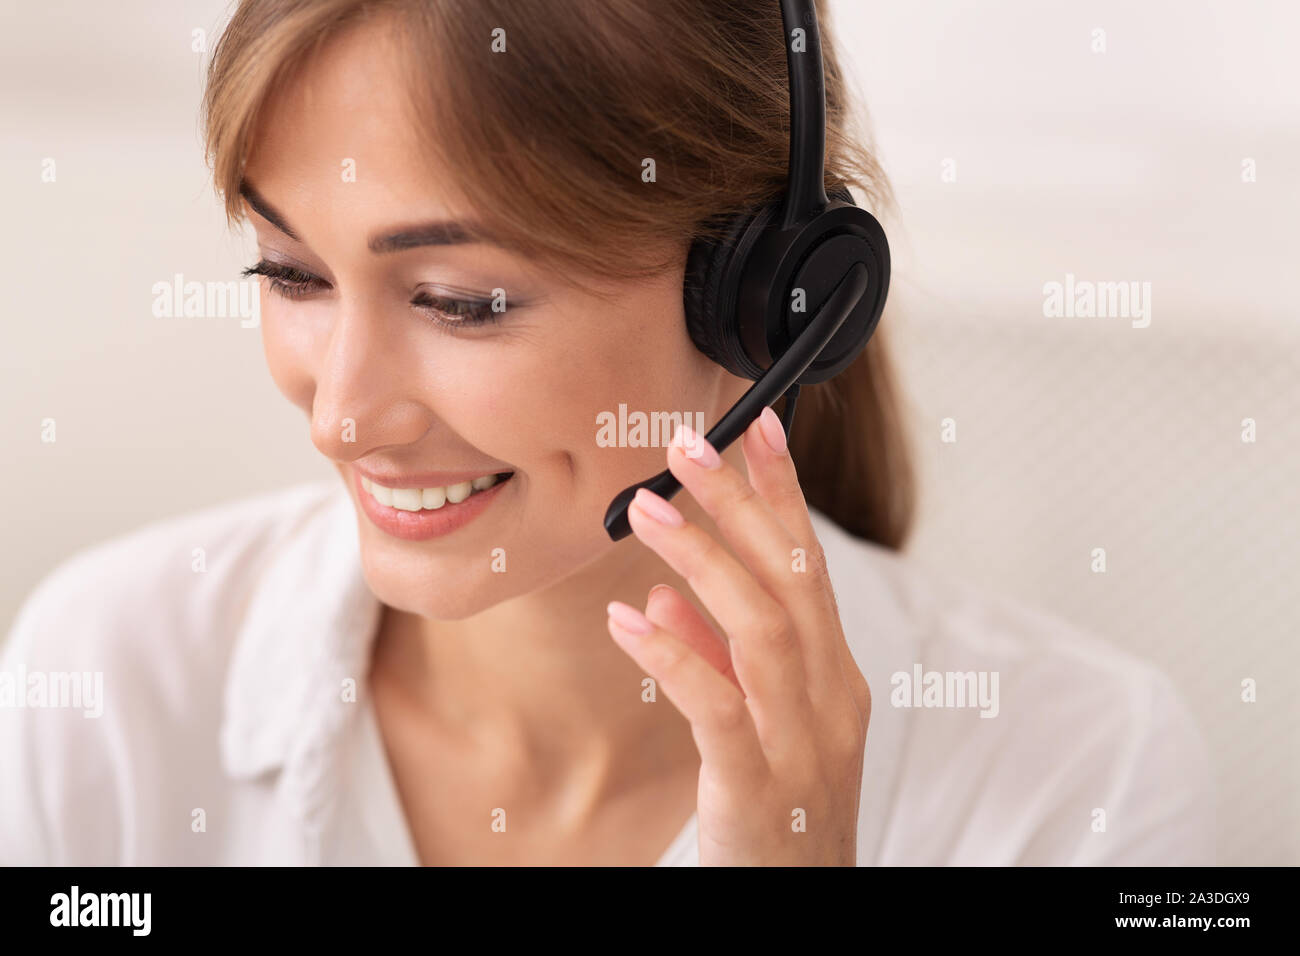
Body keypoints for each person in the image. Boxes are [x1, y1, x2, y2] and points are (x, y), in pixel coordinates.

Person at [0, 0, 1213, 865]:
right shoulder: (110, 676)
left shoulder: (1078, 776)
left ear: (770, 299)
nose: (343, 413)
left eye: (462, 302)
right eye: (290, 273)